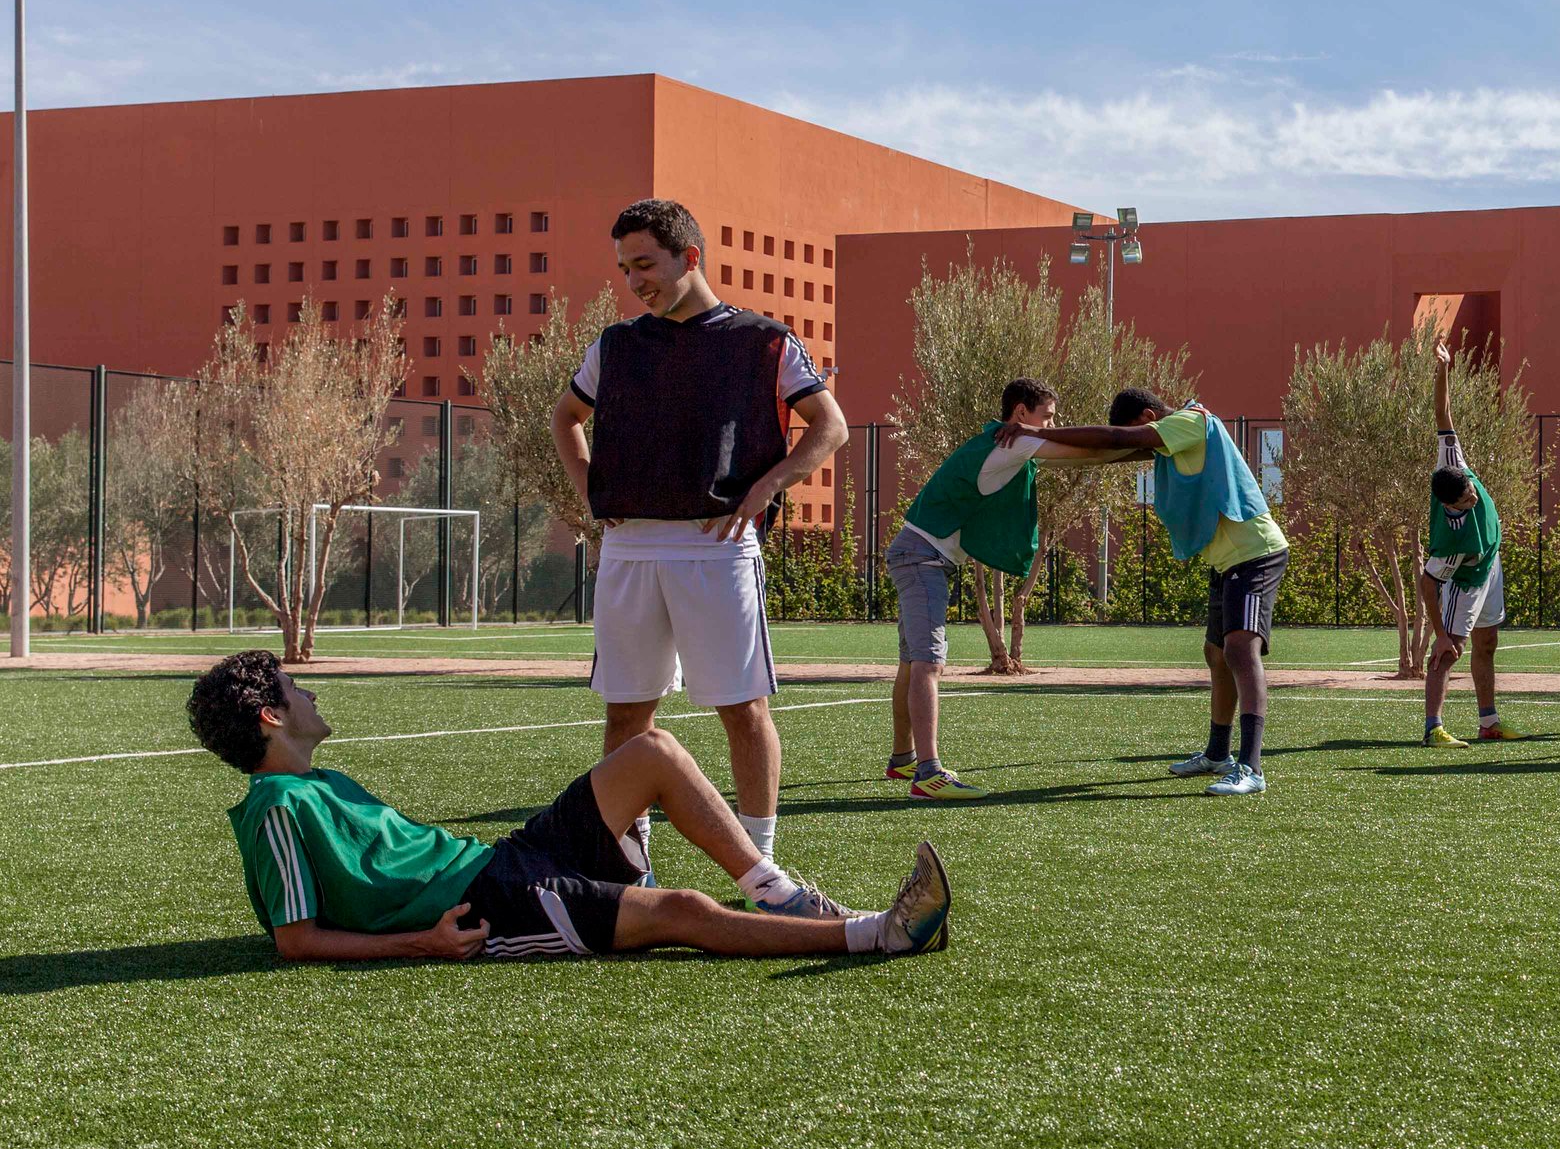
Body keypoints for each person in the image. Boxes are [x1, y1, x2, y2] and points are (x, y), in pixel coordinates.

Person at [190, 651, 950, 962]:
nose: (312, 692)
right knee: (677, 910)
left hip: (499, 860)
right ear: (271, 717)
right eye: (297, 690)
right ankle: (878, 935)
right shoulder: (273, 808)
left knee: (649, 751)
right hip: (489, 908)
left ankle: (778, 893)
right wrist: (420, 942)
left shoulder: (321, 783)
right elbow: (295, 940)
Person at [551, 199, 847, 907]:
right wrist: (593, 490)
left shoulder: (763, 341)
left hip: (717, 546)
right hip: (629, 549)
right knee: (626, 714)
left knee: (742, 709)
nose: (635, 281)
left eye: (645, 264)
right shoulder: (616, 344)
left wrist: (768, 486)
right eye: (625, 268)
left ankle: (761, 867)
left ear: (690, 256)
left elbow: (828, 426)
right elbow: (565, 418)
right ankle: (631, 866)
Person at [1015, 389, 1291, 796]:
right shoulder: (1168, 441)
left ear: (1148, 416)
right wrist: (1033, 449)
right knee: (1216, 653)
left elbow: (1117, 440)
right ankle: (1218, 754)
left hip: (1256, 553)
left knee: (1238, 651)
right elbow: (1108, 452)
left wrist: (1027, 430)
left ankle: (1251, 768)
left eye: (1137, 431)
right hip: (1227, 560)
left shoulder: (1190, 421)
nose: (1140, 440)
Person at [882, 377, 1137, 797]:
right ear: (1021, 414)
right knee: (928, 662)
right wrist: (1156, 442)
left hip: (915, 551)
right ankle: (927, 775)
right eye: (1047, 418)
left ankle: (903, 760)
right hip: (922, 557)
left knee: (912, 661)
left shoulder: (1005, 442)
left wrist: (1144, 446)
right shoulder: (1015, 443)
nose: (1053, 427)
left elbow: (1082, 454)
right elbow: (1089, 452)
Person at [1420, 341, 1515, 747]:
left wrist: (1443, 368)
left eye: (1472, 491)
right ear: (1448, 504)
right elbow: (1428, 582)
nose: (1473, 498)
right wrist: (1439, 632)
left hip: (1490, 565)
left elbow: (1442, 414)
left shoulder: (1452, 465)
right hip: (1467, 578)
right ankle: (1434, 728)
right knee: (1450, 650)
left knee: (1488, 641)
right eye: (1466, 500)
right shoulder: (1449, 544)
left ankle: (1488, 722)